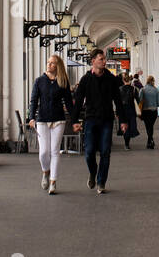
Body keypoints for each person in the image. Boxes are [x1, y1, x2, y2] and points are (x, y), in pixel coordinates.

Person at [71, 49, 125, 193]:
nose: (104, 61)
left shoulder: (111, 79)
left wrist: (123, 120)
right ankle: (93, 172)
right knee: (89, 152)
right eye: (101, 59)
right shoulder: (86, 79)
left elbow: (118, 101)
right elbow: (78, 102)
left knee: (105, 152)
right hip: (90, 120)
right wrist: (74, 120)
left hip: (107, 120)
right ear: (93, 60)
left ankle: (101, 182)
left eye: (104, 59)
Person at [28, 53, 75, 194]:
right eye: (48, 62)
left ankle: (53, 182)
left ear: (58, 66)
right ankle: (45, 171)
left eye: (53, 63)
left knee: (55, 151)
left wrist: (74, 120)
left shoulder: (63, 81)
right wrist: (31, 117)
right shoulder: (39, 81)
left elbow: (68, 103)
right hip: (42, 120)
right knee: (44, 152)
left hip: (59, 120)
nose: (49, 64)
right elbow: (33, 101)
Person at [138, 75, 159, 148]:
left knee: (148, 126)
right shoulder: (156, 90)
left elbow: (140, 100)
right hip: (154, 111)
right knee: (150, 126)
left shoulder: (143, 89)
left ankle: (150, 140)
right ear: (153, 81)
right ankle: (150, 141)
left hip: (146, 111)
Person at [117, 72, 140, 150]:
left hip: (122, 110)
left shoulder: (119, 89)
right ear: (130, 80)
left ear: (123, 80)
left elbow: (118, 102)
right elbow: (138, 100)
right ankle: (127, 143)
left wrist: (117, 112)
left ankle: (126, 143)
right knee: (130, 126)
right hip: (131, 110)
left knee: (124, 127)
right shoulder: (134, 89)